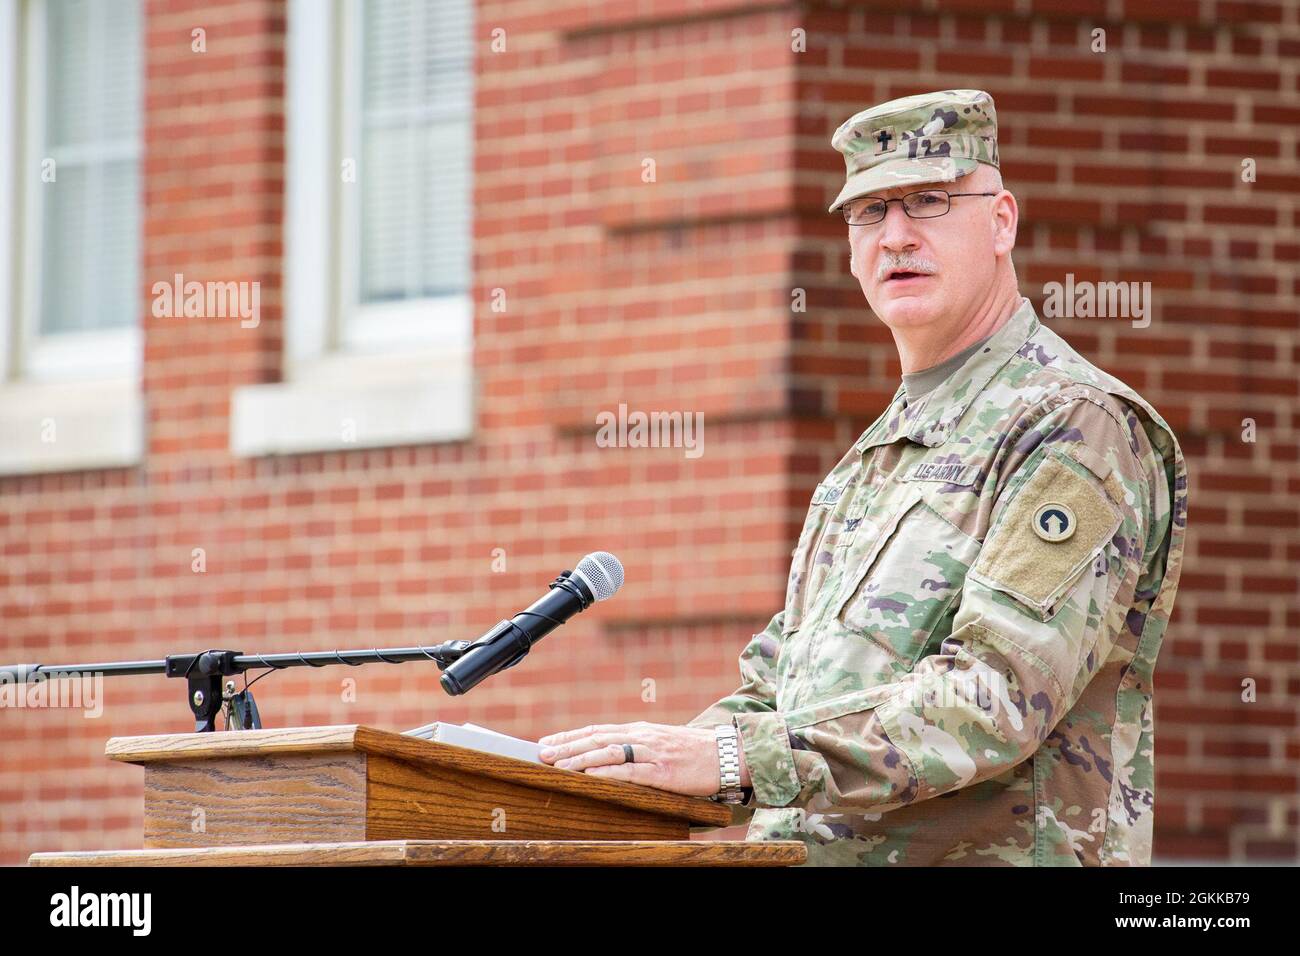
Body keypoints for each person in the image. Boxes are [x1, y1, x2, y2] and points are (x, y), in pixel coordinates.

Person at [538, 89, 1188, 866]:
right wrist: (621, 770)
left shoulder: (1074, 425)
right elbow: (778, 691)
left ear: (1001, 221)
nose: (896, 237)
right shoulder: (873, 461)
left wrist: (741, 761)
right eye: (869, 213)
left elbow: (994, 698)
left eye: (929, 201)